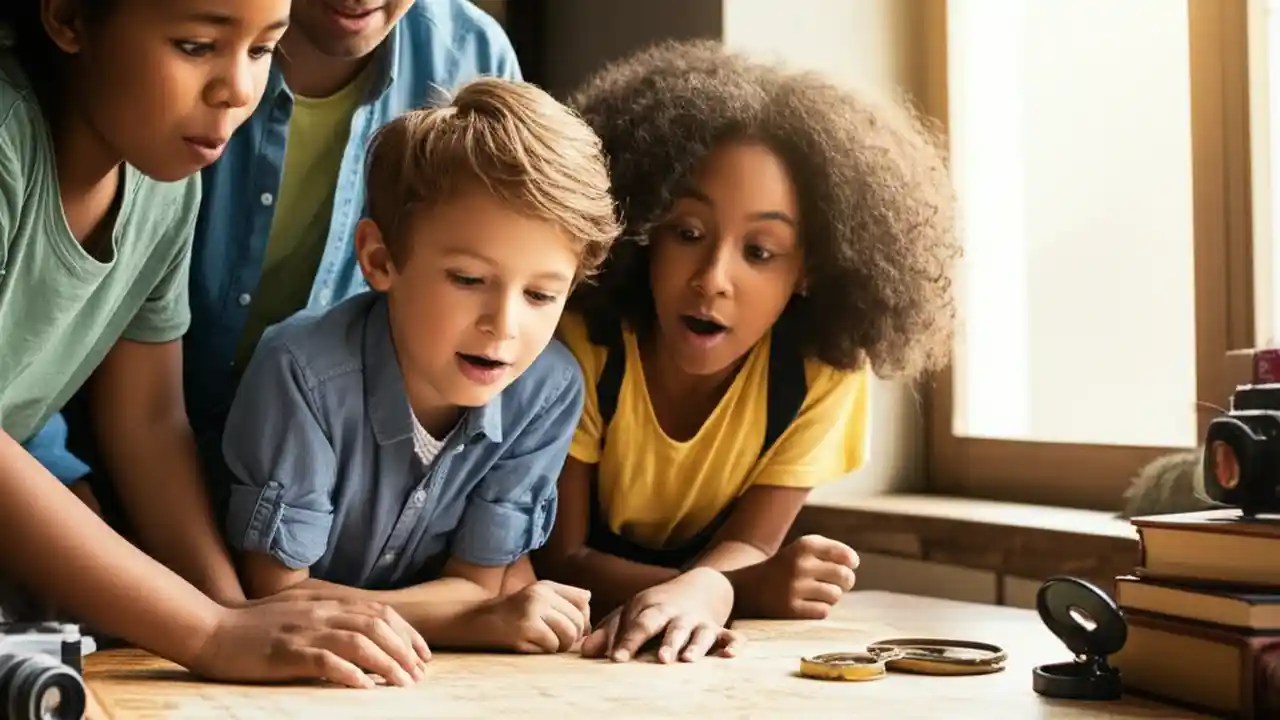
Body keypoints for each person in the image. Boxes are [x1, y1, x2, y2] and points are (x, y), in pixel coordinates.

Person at [0, 0, 428, 689]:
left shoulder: (163, 185)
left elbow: (145, 422)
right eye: (198, 46)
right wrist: (210, 632)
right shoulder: (6, 145)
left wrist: (234, 610)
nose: (239, 90)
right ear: (69, 18)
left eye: (263, 51)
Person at [535, 40, 961, 664]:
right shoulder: (578, 346)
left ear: (808, 270)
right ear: (642, 229)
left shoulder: (819, 374)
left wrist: (719, 586)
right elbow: (559, 560)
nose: (713, 278)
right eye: (687, 233)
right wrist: (736, 588)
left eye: (759, 252)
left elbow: (751, 543)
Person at [221, 77, 620, 655]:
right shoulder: (301, 373)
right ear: (380, 261)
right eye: (467, 279)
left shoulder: (548, 390)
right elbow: (277, 596)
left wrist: (479, 607)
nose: (503, 324)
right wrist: (471, 619)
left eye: (540, 295)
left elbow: (477, 582)